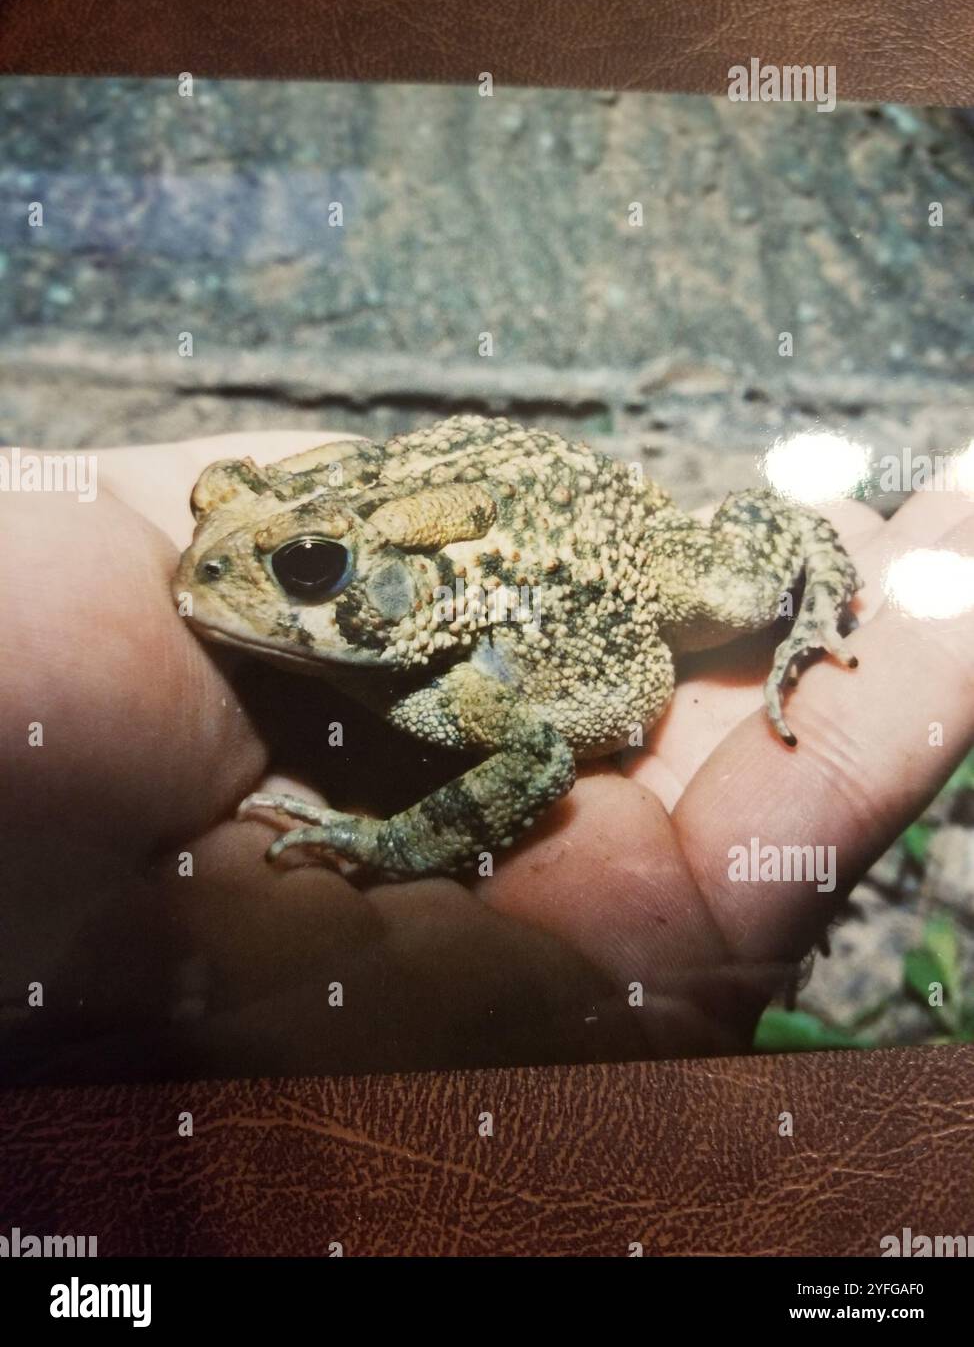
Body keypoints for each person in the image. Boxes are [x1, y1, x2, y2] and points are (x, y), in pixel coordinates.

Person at [2, 432, 972, 1081]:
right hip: (481, 500)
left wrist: (389, 841)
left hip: (602, 549)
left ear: (396, 586)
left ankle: (805, 570)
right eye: (212, 512)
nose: (206, 561)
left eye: (304, 571)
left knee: (725, 588)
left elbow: (539, 753)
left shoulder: (461, 686)